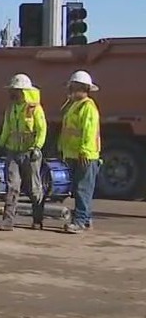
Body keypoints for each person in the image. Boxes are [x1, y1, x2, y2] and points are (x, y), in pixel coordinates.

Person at [0, 73, 48, 231]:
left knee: (34, 188)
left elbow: (42, 129)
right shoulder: (11, 108)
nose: (11, 93)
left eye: (14, 90)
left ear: (23, 91)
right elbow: (6, 129)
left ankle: (38, 219)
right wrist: (0, 145)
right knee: (12, 186)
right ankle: (8, 221)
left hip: (30, 154)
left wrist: (37, 147)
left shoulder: (34, 108)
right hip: (13, 152)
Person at [60, 69, 101, 234]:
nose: (70, 89)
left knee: (82, 189)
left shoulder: (87, 107)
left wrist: (84, 151)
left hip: (85, 155)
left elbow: (89, 131)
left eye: (73, 86)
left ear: (83, 88)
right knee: (80, 188)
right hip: (74, 153)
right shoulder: (74, 106)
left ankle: (80, 221)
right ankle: (86, 219)